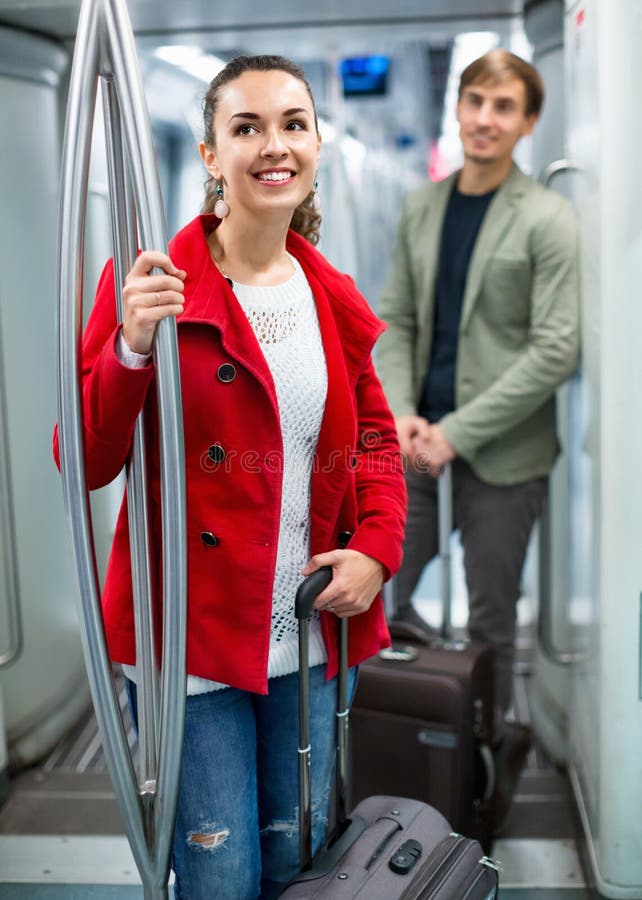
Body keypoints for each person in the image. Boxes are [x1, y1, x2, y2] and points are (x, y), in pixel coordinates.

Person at [53, 55, 406, 899]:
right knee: (221, 873)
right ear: (211, 154)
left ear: (316, 143)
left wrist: (376, 551)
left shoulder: (327, 293)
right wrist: (131, 349)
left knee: (300, 860)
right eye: (246, 127)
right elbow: (85, 460)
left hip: (310, 630)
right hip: (191, 642)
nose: (274, 145)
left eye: (293, 123)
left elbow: (375, 443)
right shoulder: (152, 287)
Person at [376, 49, 579, 827]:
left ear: (527, 123)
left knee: (492, 619)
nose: (484, 120)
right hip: (416, 445)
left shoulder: (547, 219)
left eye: (503, 107)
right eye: (474, 102)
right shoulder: (421, 207)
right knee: (383, 592)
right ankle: (393, 748)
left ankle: (478, 776)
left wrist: (458, 433)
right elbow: (396, 320)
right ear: (456, 108)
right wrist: (400, 411)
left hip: (502, 456)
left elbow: (556, 350)